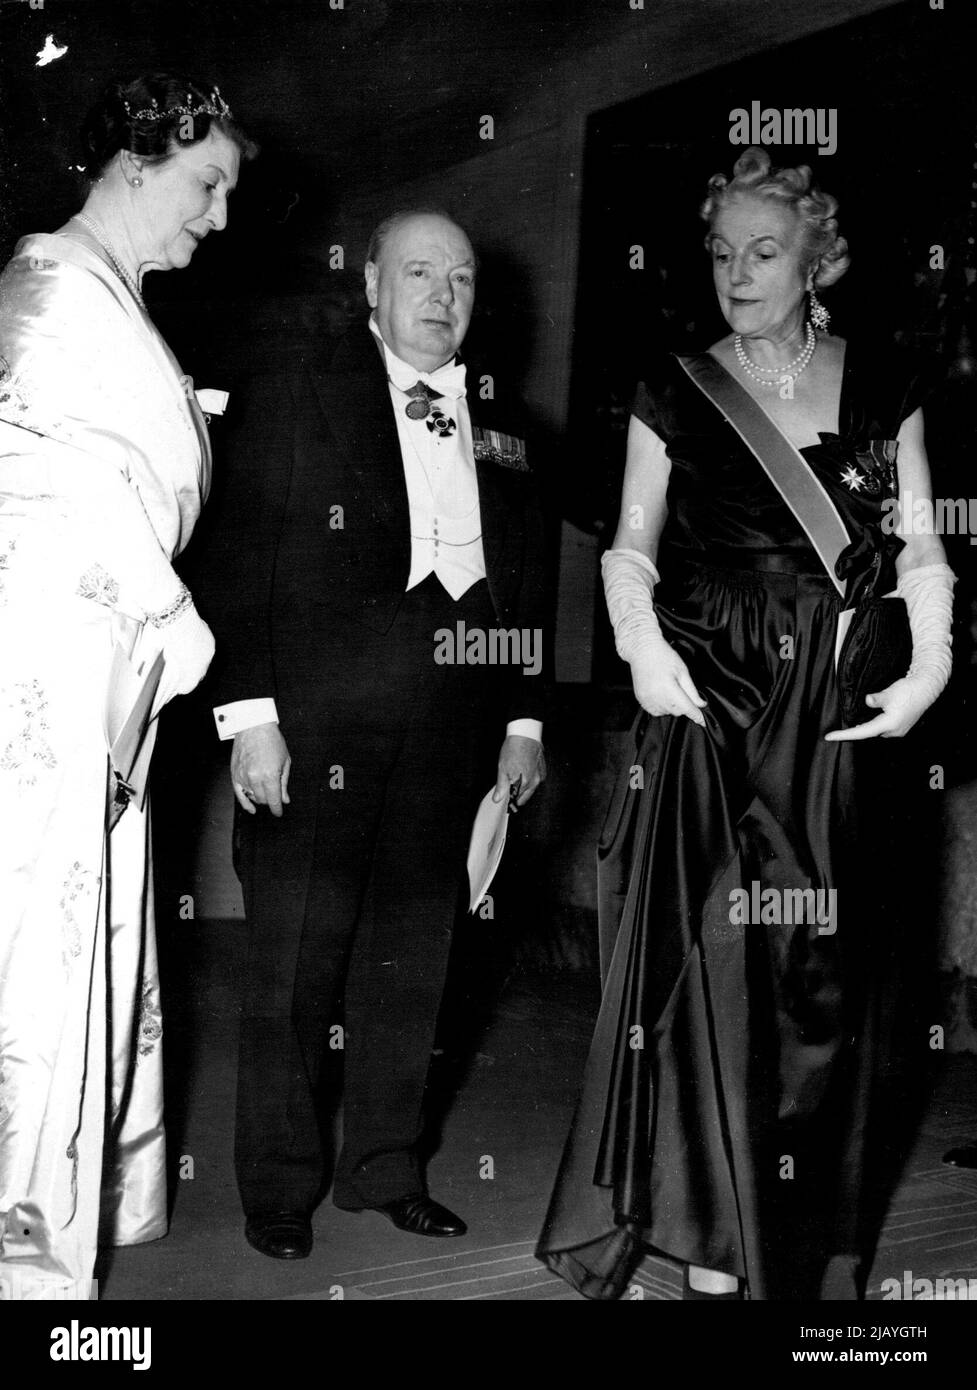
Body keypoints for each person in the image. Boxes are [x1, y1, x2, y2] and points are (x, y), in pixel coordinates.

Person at [537, 148, 955, 1301]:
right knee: (721, 973)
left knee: (824, 978)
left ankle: (805, 1238)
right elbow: (628, 543)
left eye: (763, 252)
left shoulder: (882, 382)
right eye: (721, 253)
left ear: (816, 258)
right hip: (711, 697)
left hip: (840, 707)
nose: (736, 273)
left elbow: (919, 541)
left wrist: (926, 670)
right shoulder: (674, 387)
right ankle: (717, 1245)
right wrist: (644, 651)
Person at [205, 209, 548, 1260]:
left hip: (451, 722)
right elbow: (235, 553)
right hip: (315, 723)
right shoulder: (296, 391)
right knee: (294, 964)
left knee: (413, 961)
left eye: (459, 277)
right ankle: (277, 1187)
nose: (440, 295)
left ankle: (384, 1169)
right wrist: (250, 716)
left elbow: (528, 575)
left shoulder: (506, 425)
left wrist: (525, 718)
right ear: (371, 288)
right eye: (417, 272)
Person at [0, 73, 252, 1300]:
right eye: (208, 184)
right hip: (47, 666)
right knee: (36, 958)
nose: (218, 216)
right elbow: (55, 491)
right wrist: (173, 623)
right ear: (140, 159)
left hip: (114, 669)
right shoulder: (49, 282)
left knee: (82, 949)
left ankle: (48, 1234)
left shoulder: (124, 305)